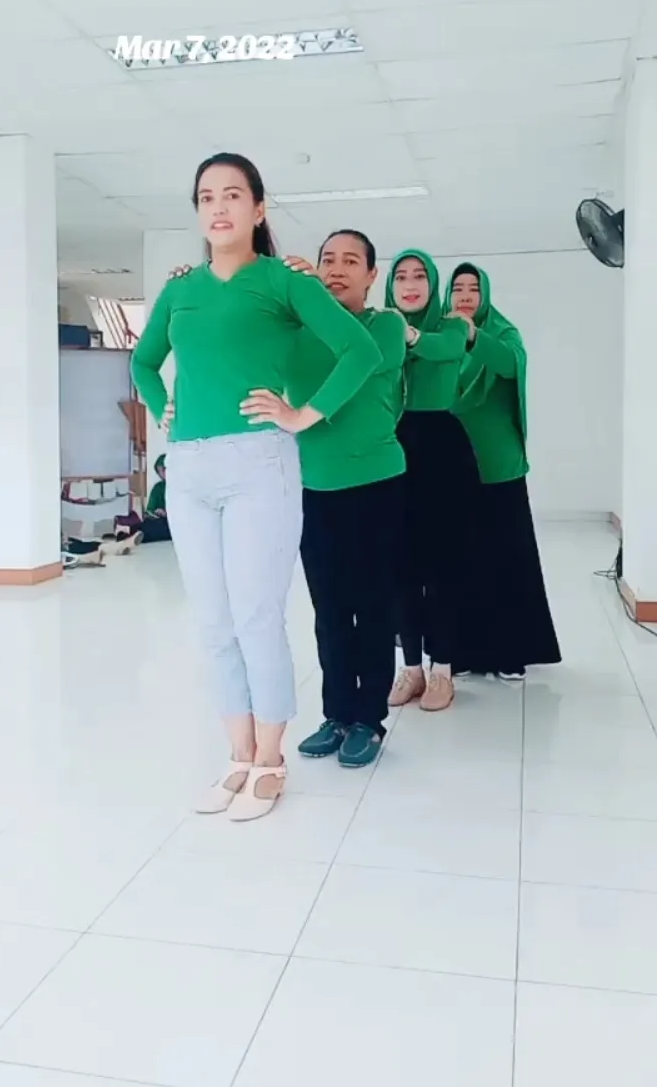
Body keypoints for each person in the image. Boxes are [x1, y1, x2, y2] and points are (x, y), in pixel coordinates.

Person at [130, 153, 380, 821]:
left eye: (233, 195)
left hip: (258, 463)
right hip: (188, 470)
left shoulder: (283, 279)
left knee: (255, 615)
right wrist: (160, 405)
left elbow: (361, 350)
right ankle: (237, 754)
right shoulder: (180, 289)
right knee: (213, 621)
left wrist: (303, 414)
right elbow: (144, 361)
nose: (218, 207)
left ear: (258, 209)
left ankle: (271, 757)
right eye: (206, 196)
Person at [281, 231, 406, 767]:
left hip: (377, 483)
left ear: (371, 275)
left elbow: (358, 361)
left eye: (350, 261)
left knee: (372, 607)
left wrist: (312, 296)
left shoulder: (386, 327)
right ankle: (336, 714)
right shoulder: (299, 330)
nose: (335, 269)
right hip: (315, 487)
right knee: (329, 609)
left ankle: (368, 720)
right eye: (327, 259)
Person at [444, 263, 562, 678]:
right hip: (452, 465)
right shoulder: (441, 335)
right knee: (460, 561)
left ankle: (510, 651)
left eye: (473, 289)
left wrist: (474, 336)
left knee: (506, 560)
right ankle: (462, 651)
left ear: (485, 295)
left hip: (499, 467)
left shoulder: (502, 332)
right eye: (458, 288)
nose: (465, 296)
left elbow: (511, 365)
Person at [385, 250, 480, 712]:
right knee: (399, 565)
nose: (410, 284)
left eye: (419, 276)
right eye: (401, 276)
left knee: (443, 565)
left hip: (442, 449)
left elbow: (446, 349)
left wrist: (409, 335)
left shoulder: (452, 325)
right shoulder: (380, 328)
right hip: (392, 449)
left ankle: (443, 669)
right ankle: (411, 668)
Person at [114, 454, 171, 544]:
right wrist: (155, 513)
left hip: (172, 523)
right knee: (148, 524)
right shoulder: (158, 487)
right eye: (159, 471)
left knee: (159, 529)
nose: (162, 474)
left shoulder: (180, 488)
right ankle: (130, 534)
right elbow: (149, 510)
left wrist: (167, 513)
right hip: (158, 520)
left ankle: (131, 536)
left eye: (164, 470)